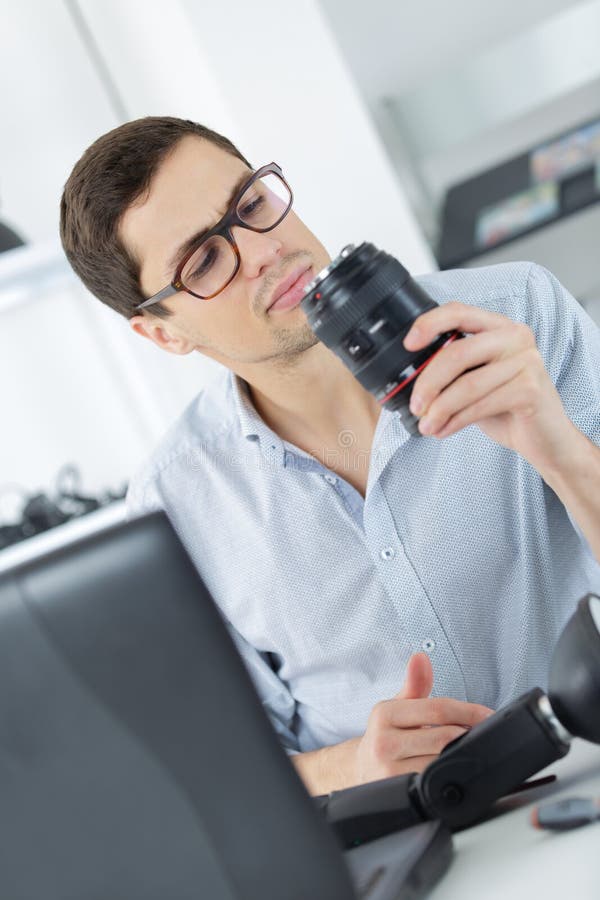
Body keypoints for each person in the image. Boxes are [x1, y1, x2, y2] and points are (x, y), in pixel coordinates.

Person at [60, 116, 600, 796]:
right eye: (203, 261)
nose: (262, 251)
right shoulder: (173, 509)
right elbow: (219, 778)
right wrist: (353, 766)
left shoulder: (515, 315)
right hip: (408, 849)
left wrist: (560, 449)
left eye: (252, 205)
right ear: (164, 335)